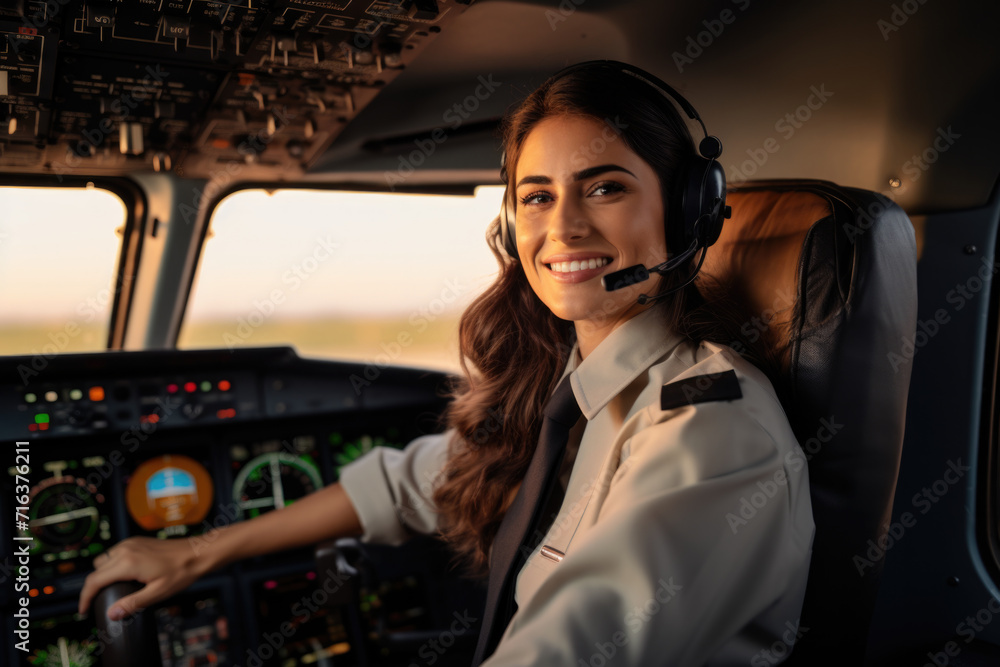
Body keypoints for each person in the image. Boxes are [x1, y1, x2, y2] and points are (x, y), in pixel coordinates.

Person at [78, 61, 814, 666]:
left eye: (605, 186)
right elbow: (422, 477)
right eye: (536, 196)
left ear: (687, 212)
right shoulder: (571, 387)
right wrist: (197, 553)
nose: (563, 227)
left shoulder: (713, 434)